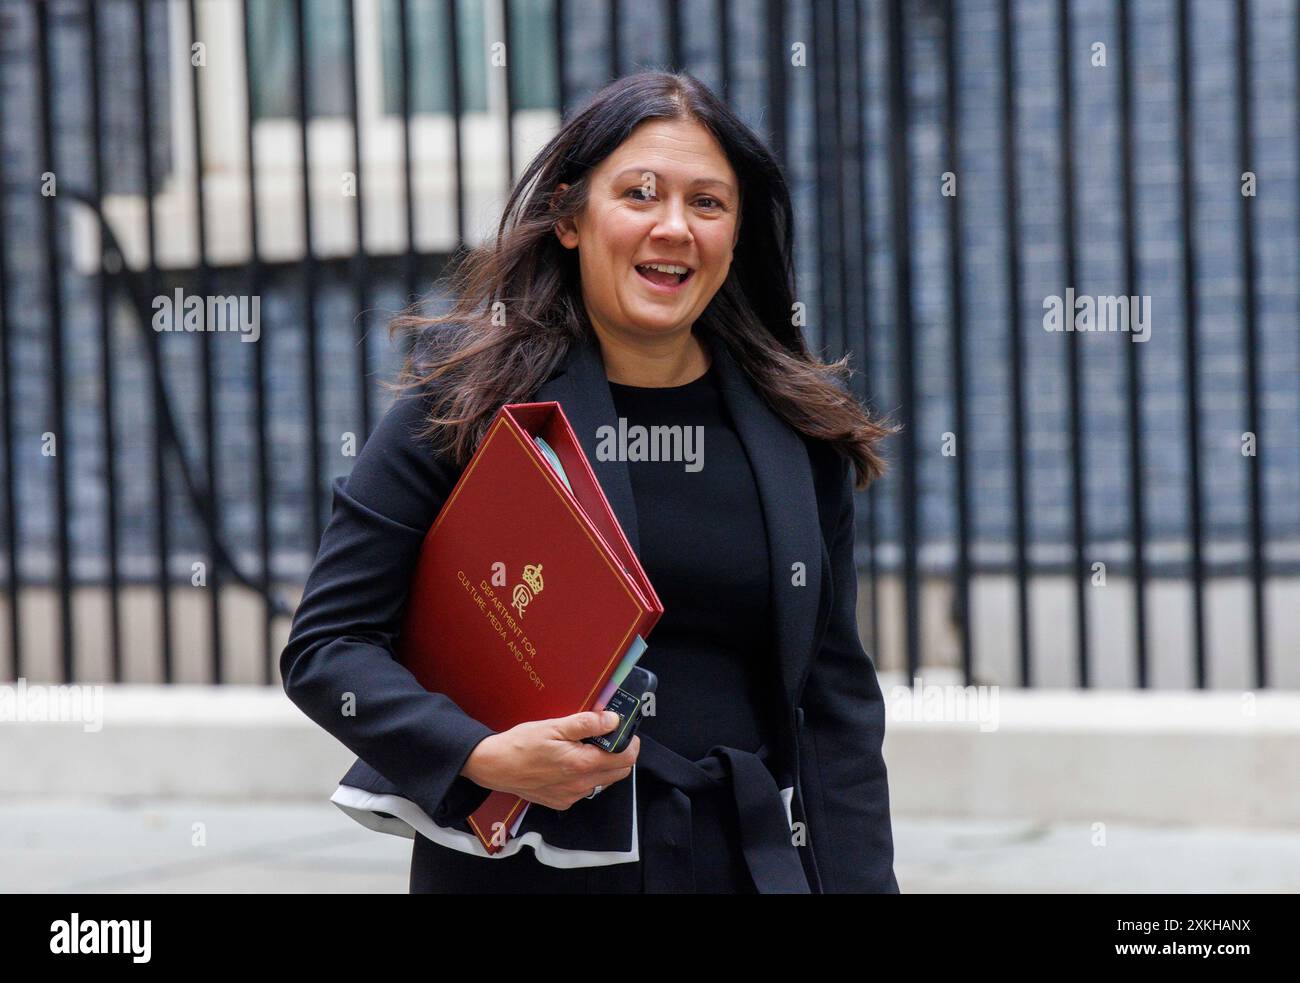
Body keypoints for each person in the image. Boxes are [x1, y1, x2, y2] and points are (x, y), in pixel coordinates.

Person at [280, 70, 901, 894]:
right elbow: (327, 646)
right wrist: (477, 754)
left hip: (742, 861)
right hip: (527, 870)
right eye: (639, 194)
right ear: (570, 218)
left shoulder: (799, 431)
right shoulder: (465, 402)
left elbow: (836, 710)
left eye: (708, 203)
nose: (674, 226)